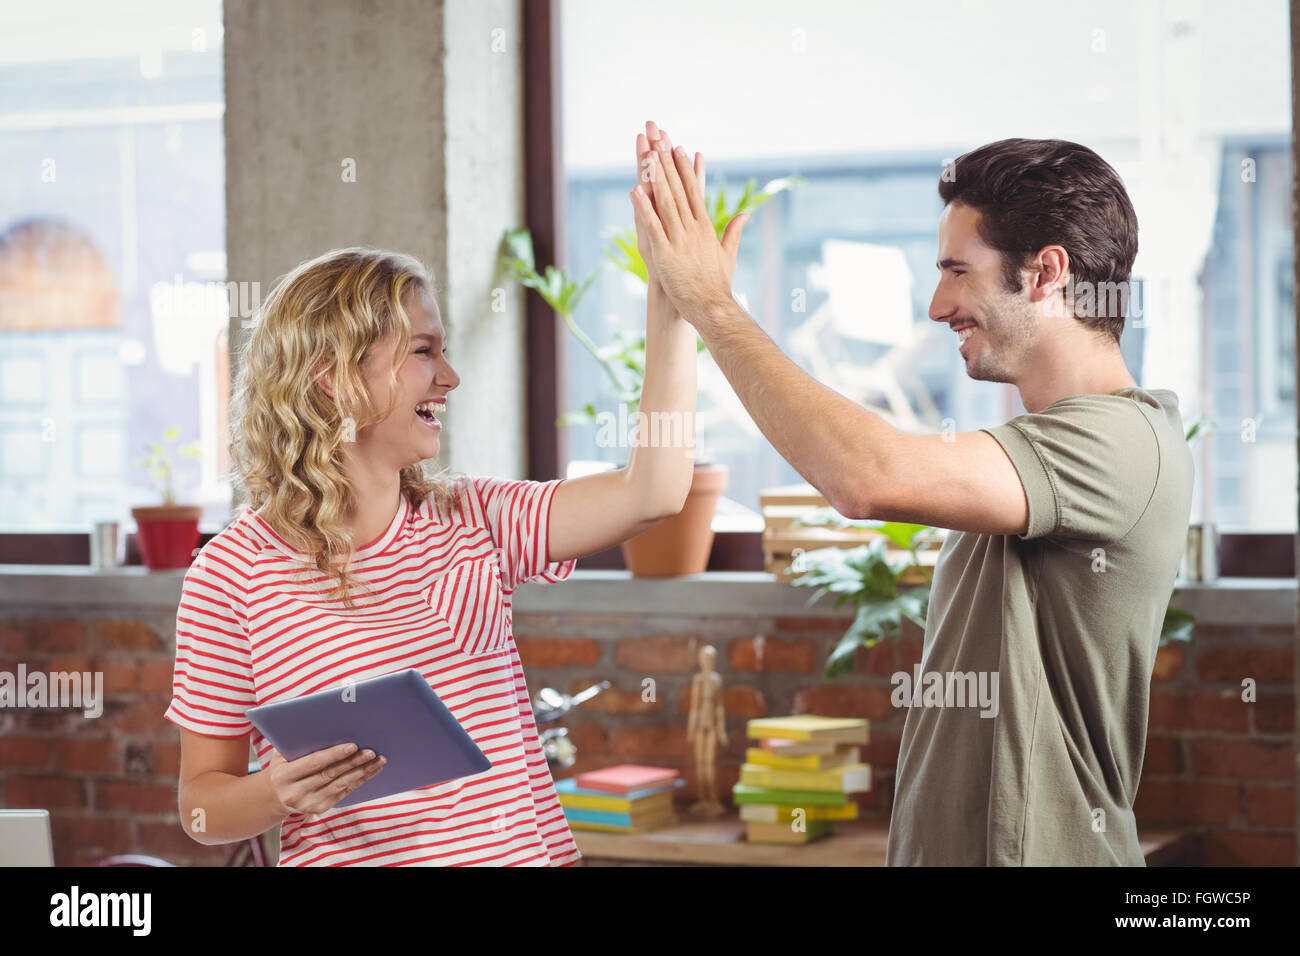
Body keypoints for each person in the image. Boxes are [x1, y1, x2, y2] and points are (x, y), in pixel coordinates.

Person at [630, 121, 1193, 865]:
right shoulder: (1030, 457)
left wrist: (714, 306)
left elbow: (866, 478)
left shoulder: (1126, 440)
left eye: (958, 271)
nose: (936, 305)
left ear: (1048, 273)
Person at [164, 152, 747, 864]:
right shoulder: (231, 574)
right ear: (332, 378)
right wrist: (276, 791)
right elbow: (201, 808)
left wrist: (675, 305)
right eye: (423, 352)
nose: (451, 377)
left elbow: (651, 492)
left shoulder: (477, 519)